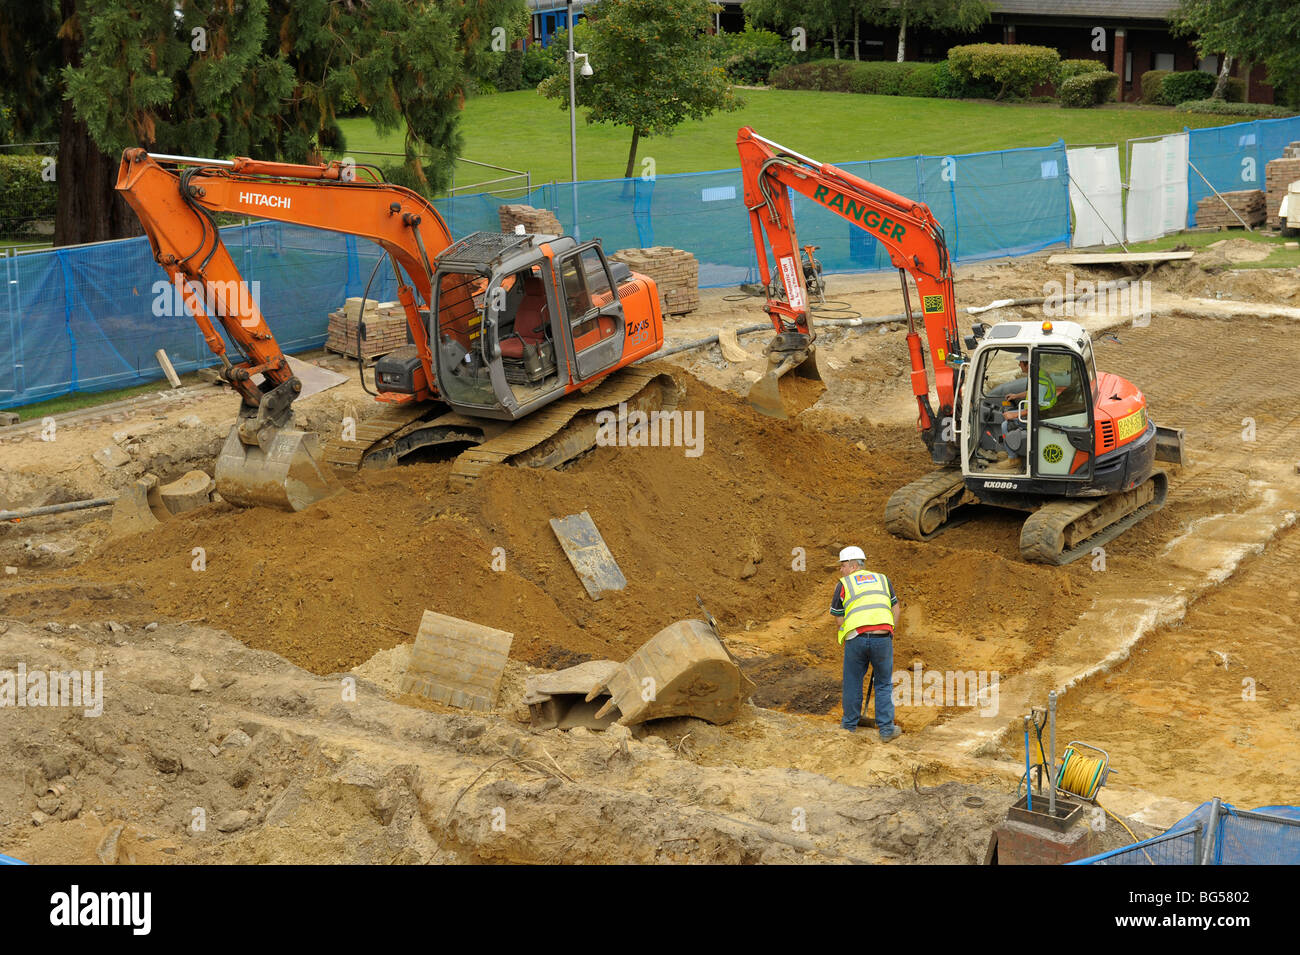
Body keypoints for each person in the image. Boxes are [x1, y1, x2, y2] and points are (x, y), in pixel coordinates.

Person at [830, 546, 902, 742]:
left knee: (853, 681)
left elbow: (838, 619)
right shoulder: (882, 579)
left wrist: (848, 635)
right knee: (884, 683)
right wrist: (889, 631)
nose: (840, 570)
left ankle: (848, 725)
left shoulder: (844, 584)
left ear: (853, 566)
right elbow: (896, 608)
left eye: (842, 565)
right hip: (883, 637)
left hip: (857, 638)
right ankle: (886, 729)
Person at [996, 353, 1059, 470]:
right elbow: (1032, 392)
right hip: (1035, 412)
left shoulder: (1040, 381)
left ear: (1027, 364)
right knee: (1007, 416)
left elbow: (1034, 407)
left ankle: (1013, 458)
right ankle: (1011, 448)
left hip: (1040, 416)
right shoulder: (1038, 374)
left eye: (1020, 362)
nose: (1019, 364)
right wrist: (1016, 396)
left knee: (1005, 425)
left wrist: (1014, 414)